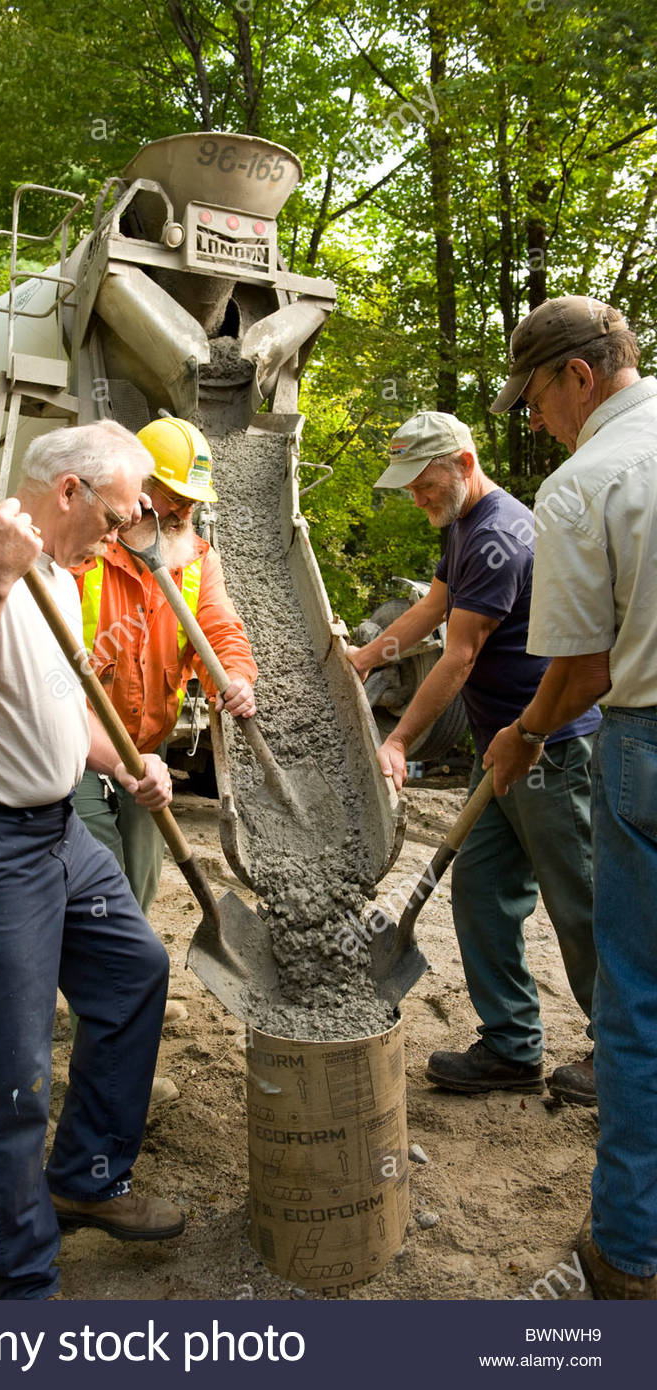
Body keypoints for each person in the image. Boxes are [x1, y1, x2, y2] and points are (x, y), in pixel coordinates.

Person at [0, 421, 185, 1301]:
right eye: (123, 512)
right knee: (10, 1072)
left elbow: (62, 708)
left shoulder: (61, 574)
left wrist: (128, 760)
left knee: (136, 970)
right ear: (70, 492)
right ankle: (22, 1286)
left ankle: (86, 1178)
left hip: (60, 835)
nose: (127, 529)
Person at [346, 411, 600, 1102]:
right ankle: (512, 1045)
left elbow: (458, 657)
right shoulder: (459, 523)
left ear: (462, 463)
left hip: (551, 747)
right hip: (501, 749)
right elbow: (433, 610)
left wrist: (397, 741)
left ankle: (627, 1052)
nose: (416, 497)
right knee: (482, 892)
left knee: (579, 901)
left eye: (424, 483)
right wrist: (366, 658)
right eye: (408, 487)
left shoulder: (498, 538)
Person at [483, 295, 657, 1300]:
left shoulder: (584, 480)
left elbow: (584, 669)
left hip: (646, 743)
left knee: (636, 1010)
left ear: (580, 378)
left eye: (538, 399)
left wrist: (527, 731)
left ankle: (629, 1255)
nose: (536, 421)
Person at [71, 417, 256, 959]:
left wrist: (236, 679)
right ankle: (107, 1011)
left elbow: (220, 631)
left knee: (140, 883)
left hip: (147, 753)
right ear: (137, 490)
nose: (183, 513)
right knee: (98, 882)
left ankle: (120, 987)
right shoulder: (89, 553)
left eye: (193, 502)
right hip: (79, 750)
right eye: (173, 497)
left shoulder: (196, 562)